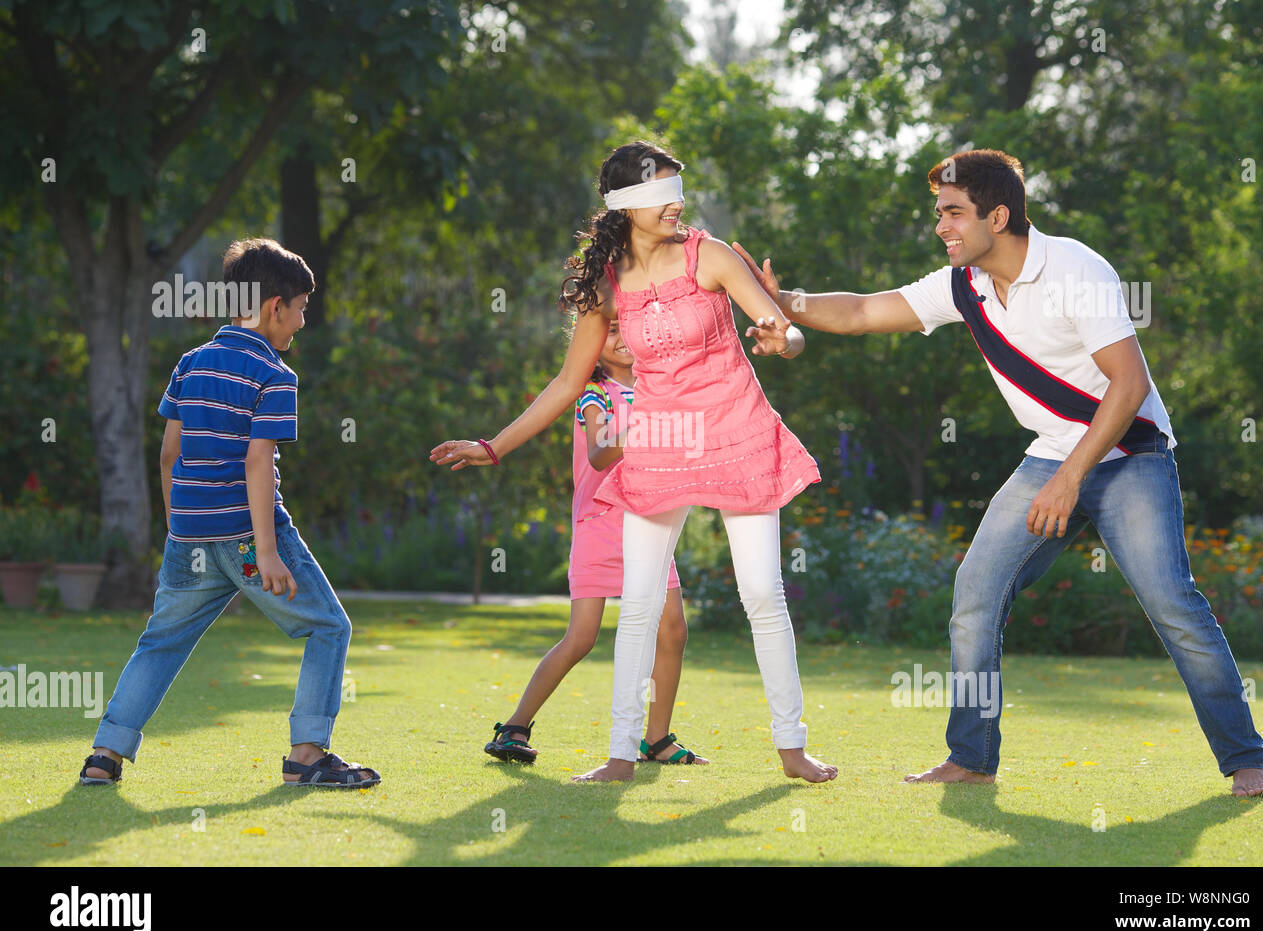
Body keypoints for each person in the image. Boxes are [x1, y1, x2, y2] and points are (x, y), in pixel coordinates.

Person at [733, 148, 1263, 797]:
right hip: (1051, 452)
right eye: (939, 214)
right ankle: (971, 756)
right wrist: (778, 300)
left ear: (997, 214)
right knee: (976, 593)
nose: (941, 227)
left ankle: (1245, 759)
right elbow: (863, 312)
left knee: (1172, 603)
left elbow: (1129, 386)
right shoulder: (964, 286)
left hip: (1129, 454)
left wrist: (1071, 478)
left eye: (953, 213)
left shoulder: (1076, 270)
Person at [433, 141, 837, 784]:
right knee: (641, 604)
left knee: (762, 592)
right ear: (623, 205)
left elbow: (782, 330)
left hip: (736, 430)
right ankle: (621, 755)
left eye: (679, 190)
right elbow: (567, 385)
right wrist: (493, 446)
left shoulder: (711, 254)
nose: (676, 204)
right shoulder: (606, 286)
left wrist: (780, 337)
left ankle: (793, 749)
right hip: (659, 442)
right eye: (659, 194)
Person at [79, 238, 379, 789]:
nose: (301, 323)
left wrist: (177, 528)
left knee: (160, 641)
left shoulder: (190, 364)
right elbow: (257, 462)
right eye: (302, 309)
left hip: (188, 536)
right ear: (274, 307)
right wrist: (265, 552)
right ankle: (307, 757)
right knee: (328, 626)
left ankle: (105, 754)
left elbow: (170, 453)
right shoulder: (274, 375)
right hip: (247, 536)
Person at [483, 314, 707, 766]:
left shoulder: (657, 387)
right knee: (581, 638)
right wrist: (653, 425)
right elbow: (601, 452)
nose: (623, 339)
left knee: (674, 631)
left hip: (651, 526)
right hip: (601, 528)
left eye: (630, 328)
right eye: (611, 331)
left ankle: (657, 740)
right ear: (591, 341)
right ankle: (514, 728)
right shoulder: (595, 393)